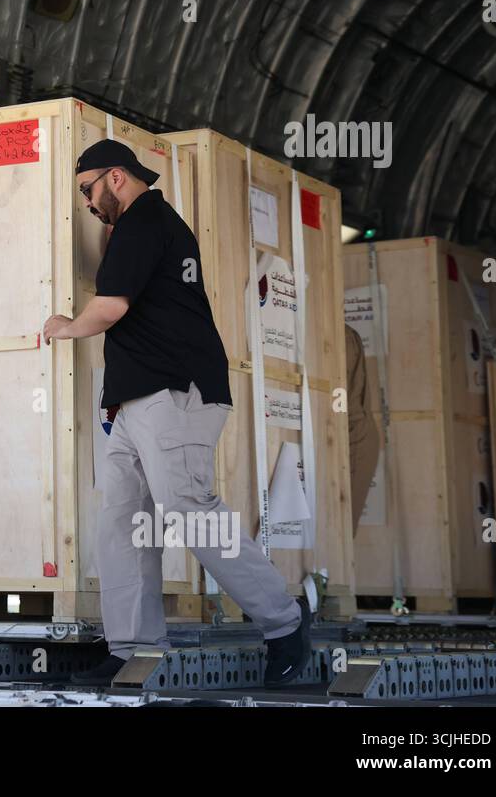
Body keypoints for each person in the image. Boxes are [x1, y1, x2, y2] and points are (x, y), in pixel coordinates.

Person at [41, 138, 311, 688]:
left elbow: (111, 307)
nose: (89, 204)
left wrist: (64, 326)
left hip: (175, 394)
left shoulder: (144, 221)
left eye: (89, 190)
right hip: (135, 401)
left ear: (116, 177)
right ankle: (134, 647)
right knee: (122, 523)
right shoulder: (144, 226)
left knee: (189, 510)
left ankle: (285, 623)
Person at [344, 323, 382, 529]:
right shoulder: (344, 332)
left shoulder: (340, 335)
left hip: (354, 437)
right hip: (352, 434)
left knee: (339, 532)